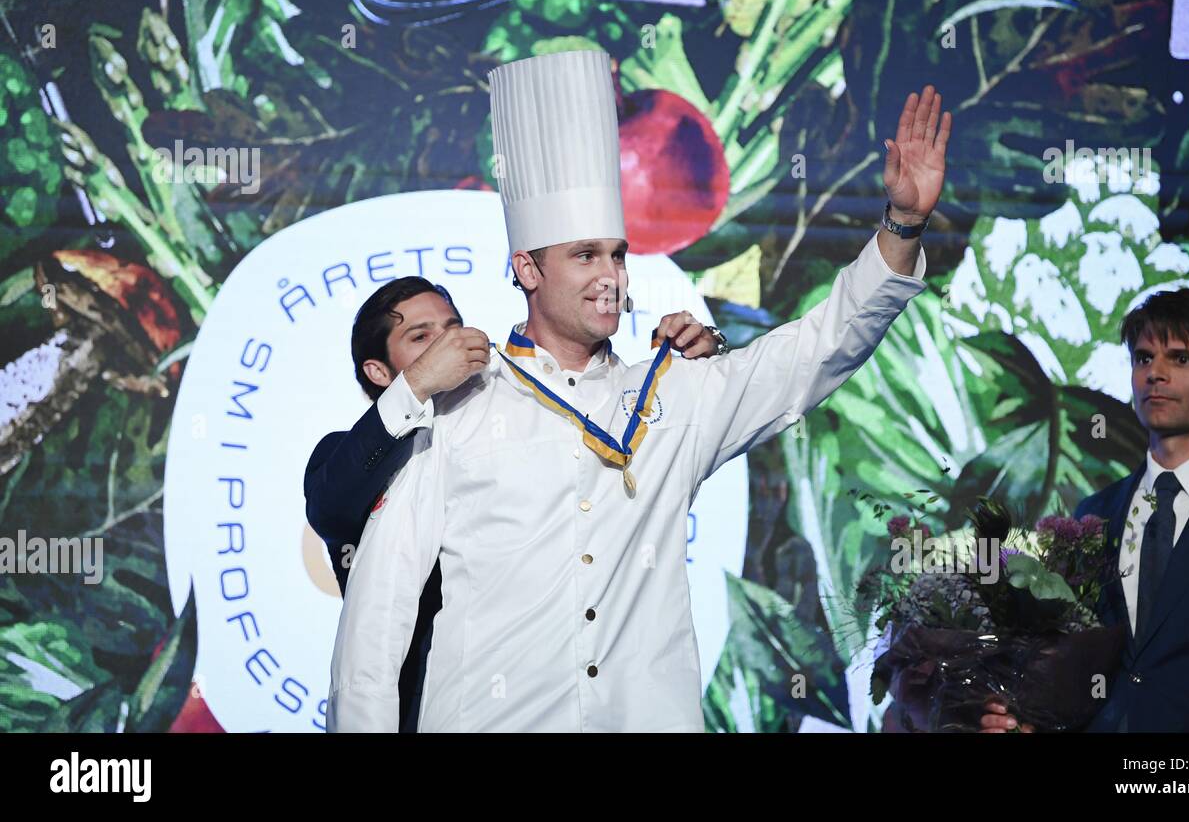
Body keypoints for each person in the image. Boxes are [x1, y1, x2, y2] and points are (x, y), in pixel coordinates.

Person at [327, 48, 948, 732]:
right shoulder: (457, 412)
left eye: (618, 255)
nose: (610, 276)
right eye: (585, 256)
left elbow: (816, 351)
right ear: (526, 269)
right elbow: (376, 621)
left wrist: (901, 226)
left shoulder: (671, 399)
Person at [306, 276, 724, 731]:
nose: (447, 343)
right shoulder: (344, 453)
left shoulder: (507, 430)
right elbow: (335, 504)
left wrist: (696, 367)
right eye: (421, 337)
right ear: (379, 372)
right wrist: (420, 383)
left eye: (453, 327)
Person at [981, 288, 1189, 732]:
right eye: (1144, 358)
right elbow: (1078, 664)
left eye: (1181, 359)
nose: (1156, 374)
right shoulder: (1093, 515)